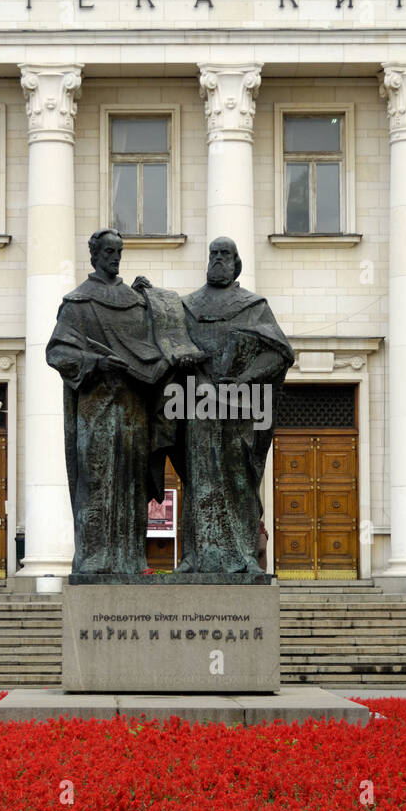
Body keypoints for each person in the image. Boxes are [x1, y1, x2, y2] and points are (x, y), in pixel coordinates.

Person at [46, 228, 202, 574]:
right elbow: (58, 352)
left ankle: (131, 559)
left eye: (119, 251)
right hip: (98, 408)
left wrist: (154, 305)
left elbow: (156, 340)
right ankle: (95, 560)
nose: (114, 258)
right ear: (94, 255)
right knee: (99, 482)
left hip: (135, 409)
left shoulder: (134, 302)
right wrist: (96, 362)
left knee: (132, 486)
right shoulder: (78, 303)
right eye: (108, 252)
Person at [172, 237, 293, 573]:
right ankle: (194, 557)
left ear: (237, 262)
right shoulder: (187, 306)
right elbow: (169, 344)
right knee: (199, 479)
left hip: (240, 409)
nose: (219, 259)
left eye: (226, 254)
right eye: (214, 254)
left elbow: (279, 353)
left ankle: (243, 558)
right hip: (197, 407)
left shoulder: (253, 306)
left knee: (240, 480)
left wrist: (245, 380)